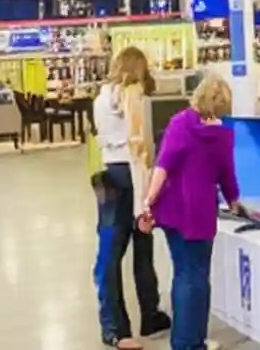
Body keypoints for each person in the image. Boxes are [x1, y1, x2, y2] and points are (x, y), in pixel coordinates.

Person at [139, 75, 240, 350]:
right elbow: (227, 176)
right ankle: (191, 343)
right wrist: (234, 202)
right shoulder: (222, 135)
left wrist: (149, 201)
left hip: (171, 210)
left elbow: (163, 165)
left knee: (182, 274)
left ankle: (185, 341)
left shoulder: (179, 122)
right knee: (196, 278)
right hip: (199, 213)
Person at [91, 47, 168, 349]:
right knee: (140, 248)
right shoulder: (139, 99)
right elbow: (144, 143)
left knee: (112, 251)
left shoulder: (101, 99)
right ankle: (146, 315)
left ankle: (117, 326)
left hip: (110, 174)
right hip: (137, 175)